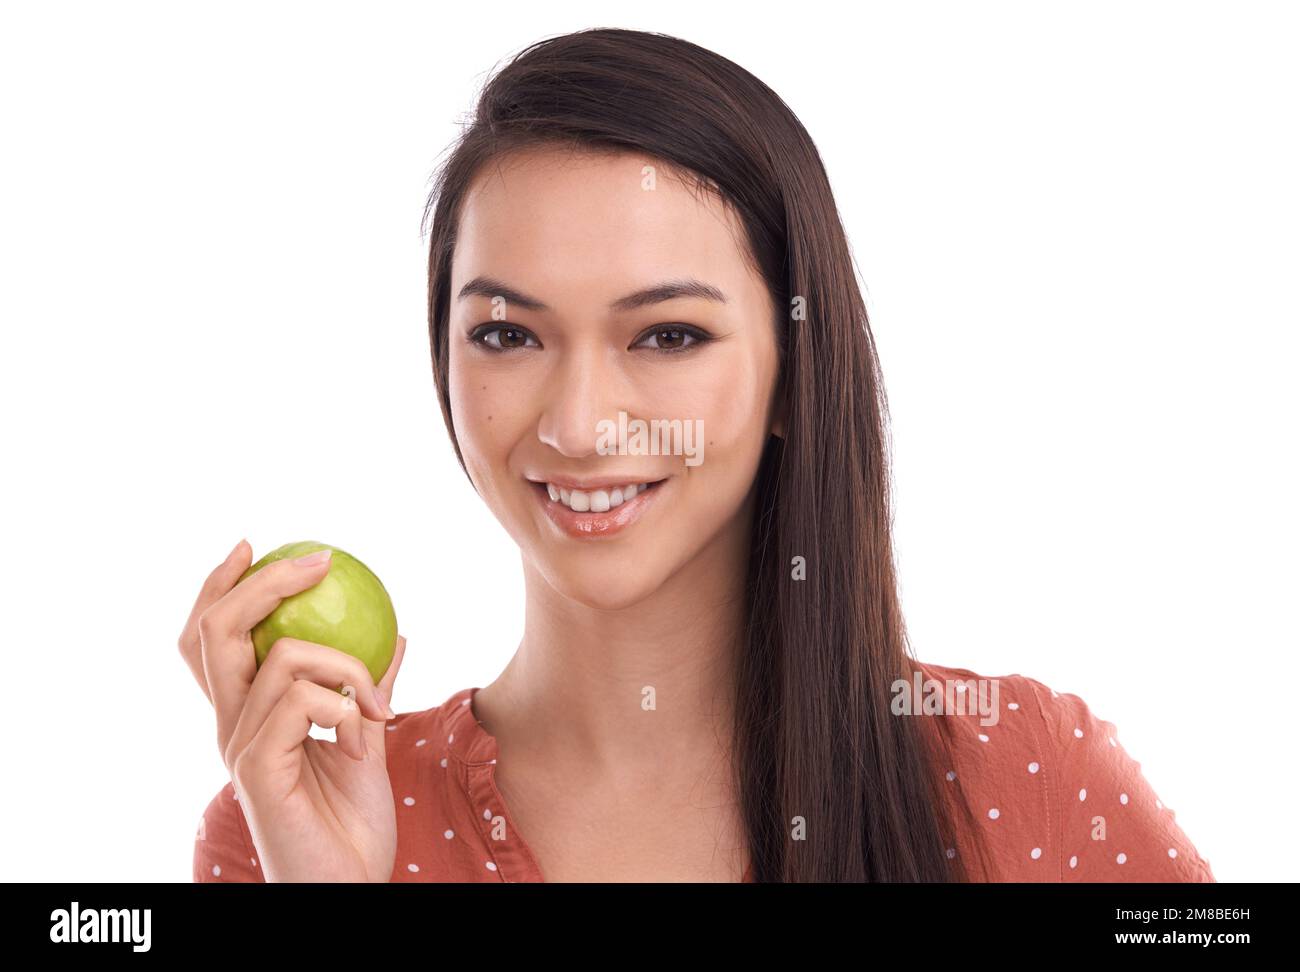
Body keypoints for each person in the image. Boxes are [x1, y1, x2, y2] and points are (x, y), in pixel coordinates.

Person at [183, 27, 1215, 883]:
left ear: (792, 373)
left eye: (668, 335)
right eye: (507, 333)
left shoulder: (1025, 777)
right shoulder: (289, 827)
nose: (579, 425)